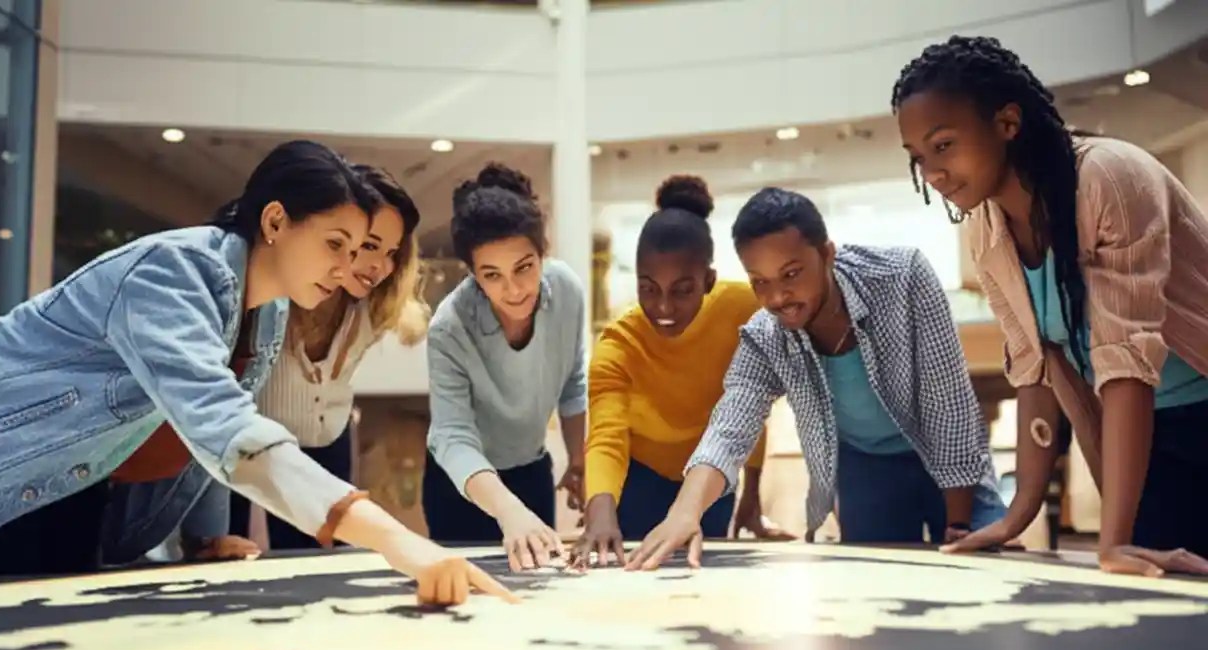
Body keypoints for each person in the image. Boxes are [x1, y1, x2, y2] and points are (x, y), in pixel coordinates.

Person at [0, 139, 515, 606]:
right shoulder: (170, 272)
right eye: (335, 244)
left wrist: (203, 538)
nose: (345, 269)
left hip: (71, 492)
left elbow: (204, 437)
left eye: (357, 249)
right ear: (277, 221)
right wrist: (400, 541)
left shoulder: (269, 310)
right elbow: (222, 422)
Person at [892, 35, 1208, 577]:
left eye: (943, 145)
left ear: (1007, 122)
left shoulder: (1109, 176)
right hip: (1146, 441)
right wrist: (1016, 518)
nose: (933, 173)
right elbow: (1035, 374)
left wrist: (1113, 540)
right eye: (919, 158)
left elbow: (1126, 363)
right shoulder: (986, 229)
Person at [624, 187, 1007, 571]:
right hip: (866, 464)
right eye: (760, 282)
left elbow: (948, 404)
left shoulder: (902, 278)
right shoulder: (766, 335)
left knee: (984, 571)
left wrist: (958, 523)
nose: (777, 298)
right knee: (880, 589)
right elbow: (729, 427)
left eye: (791, 274)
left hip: (947, 458)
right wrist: (684, 511)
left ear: (826, 254)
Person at [101, 165, 430, 560]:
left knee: (310, 561)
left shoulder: (363, 306)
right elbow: (220, 417)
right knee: (226, 550)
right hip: (242, 443)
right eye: (354, 245)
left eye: (389, 252)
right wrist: (396, 540)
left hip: (317, 439)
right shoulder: (228, 286)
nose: (373, 265)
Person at [572, 175, 787, 567]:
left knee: (704, 580)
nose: (664, 308)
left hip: (711, 479)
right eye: (648, 289)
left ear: (709, 281)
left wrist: (751, 491)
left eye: (682, 290)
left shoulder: (747, 310)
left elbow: (750, 408)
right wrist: (599, 510)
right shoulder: (619, 344)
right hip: (640, 481)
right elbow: (607, 437)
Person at [423, 163, 587, 571]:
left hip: (531, 473)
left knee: (537, 593)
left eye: (524, 268)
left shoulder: (566, 290)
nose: (513, 290)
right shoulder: (449, 326)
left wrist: (579, 462)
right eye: (492, 275)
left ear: (542, 252)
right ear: (474, 274)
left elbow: (572, 384)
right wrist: (508, 511)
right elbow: (453, 436)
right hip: (461, 486)